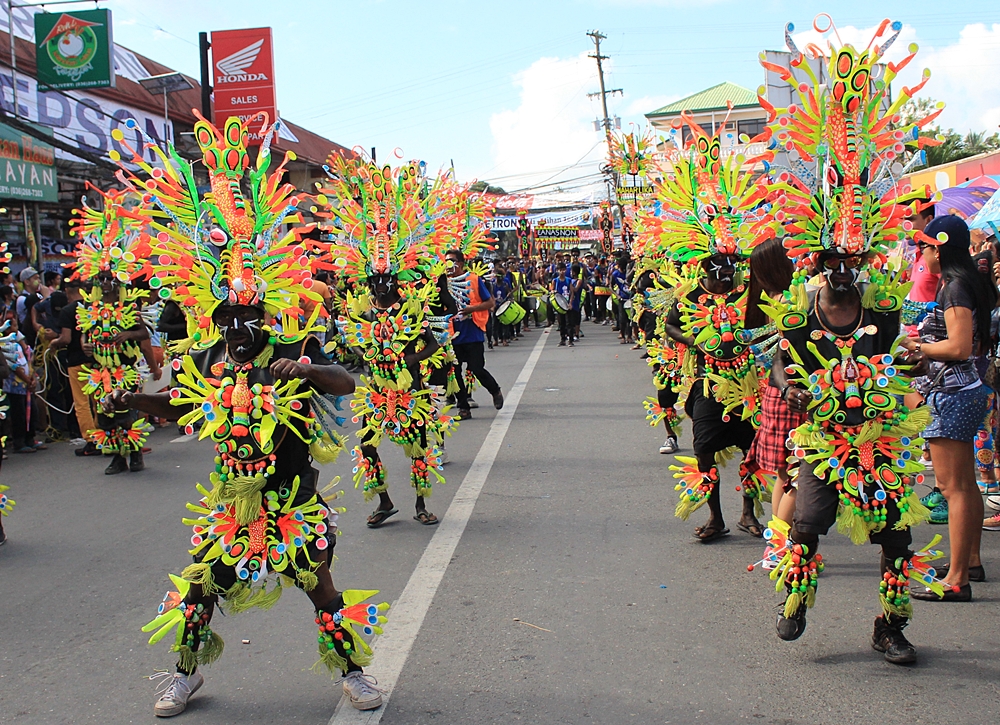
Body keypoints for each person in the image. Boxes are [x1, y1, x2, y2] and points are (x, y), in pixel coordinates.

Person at [111, 112, 389, 715]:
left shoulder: (290, 349)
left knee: (321, 589)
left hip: (292, 501)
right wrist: (133, 400)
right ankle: (184, 675)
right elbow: (180, 407)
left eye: (248, 319)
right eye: (227, 320)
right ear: (213, 318)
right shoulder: (209, 358)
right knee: (200, 589)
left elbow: (348, 379)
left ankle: (354, 673)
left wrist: (309, 371)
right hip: (232, 507)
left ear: (264, 313)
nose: (238, 331)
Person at [758, 20, 946, 663]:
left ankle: (889, 626)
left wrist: (908, 364)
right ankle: (796, 601)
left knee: (897, 536)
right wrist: (801, 385)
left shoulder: (887, 311)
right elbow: (782, 371)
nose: (843, 268)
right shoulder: (800, 317)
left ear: (863, 259)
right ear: (818, 259)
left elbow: (904, 361)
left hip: (881, 442)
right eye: (833, 257)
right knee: (807, 525)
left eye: (853, 257)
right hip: (825, 440)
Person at [902, 215, 996, 601]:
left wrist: (917, 347)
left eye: (925, 246)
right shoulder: (967, 281)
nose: (922, 253)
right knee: (965, 485)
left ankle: (957, 579)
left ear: (939, 248)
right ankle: (969, 561)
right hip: (968, 390)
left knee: (951, 487)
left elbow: (958, 347)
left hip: (952, 394)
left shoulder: (954, 287)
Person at [66, 190, 162, 475]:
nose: (105, 284)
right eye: (101, 279)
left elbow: (143, 334)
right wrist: (85, 345)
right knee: (106, 416)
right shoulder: (90, 308)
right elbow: (84, 332)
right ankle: (117, 457)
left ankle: (134, 455)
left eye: (109, 279)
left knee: (127, 413)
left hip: (124, 369)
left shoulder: (128, 306)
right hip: (99, 370)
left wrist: (127, 337)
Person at [447, 248, 504, 415]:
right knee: (454, 372)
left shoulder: (473, 279)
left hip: (473, 333)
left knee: (476, 368)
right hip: (452, 335)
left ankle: (495, 390)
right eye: (446, 262)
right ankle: (463, 407)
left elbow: (490, 303)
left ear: (461, 263)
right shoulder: (442, 282)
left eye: (452, 261)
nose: (449, 265)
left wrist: (471, 309)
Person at [51, 280, 100, 456]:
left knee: (81, 403)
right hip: (97, 359)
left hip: (76, 360)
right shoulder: (95, 306)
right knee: (98, 401)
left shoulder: (68, 310)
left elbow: (66, 338)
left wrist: (54, 343)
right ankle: (104, 435)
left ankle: (91, 440)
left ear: (67, 291)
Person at [15, 266, 42, 348]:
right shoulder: (22, 299)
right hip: (29, 336)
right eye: (35, 279)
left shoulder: (39, 295)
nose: (39, 281)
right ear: (27, 282)